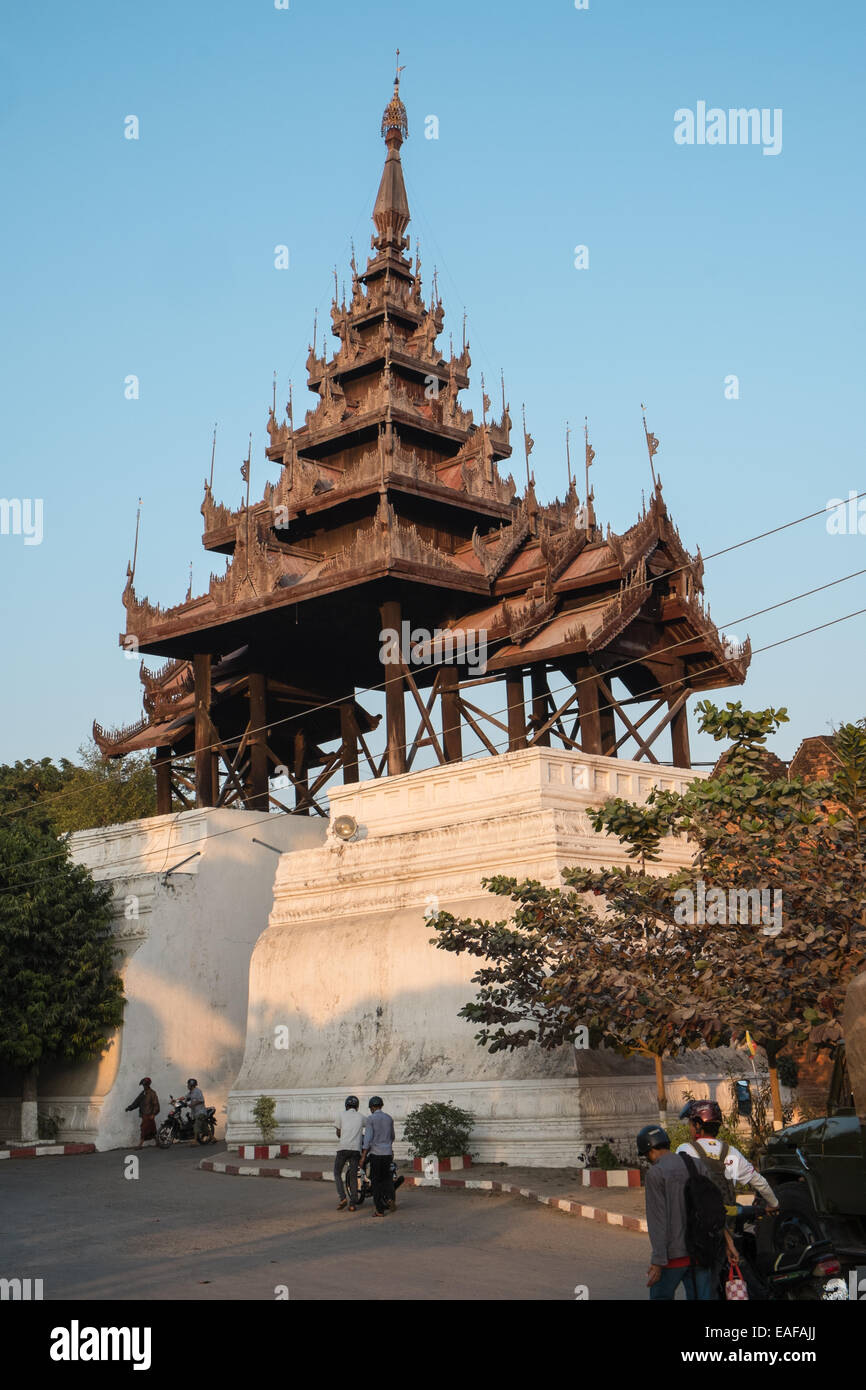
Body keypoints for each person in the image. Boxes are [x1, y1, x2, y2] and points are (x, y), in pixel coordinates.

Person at [637, 1123, 716, 1301]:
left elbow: (658, 1220)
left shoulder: (656, 1173)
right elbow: (713, 1208)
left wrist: (657, 1261)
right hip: (700, 1253)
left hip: (672, 1258)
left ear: (650, 1151)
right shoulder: (697, 1165)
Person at [676, 1100, 780, 1221]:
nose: (690, 1128)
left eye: (690, 1124)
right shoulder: (732, 1153)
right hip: (727, 1222)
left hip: (697, 1224)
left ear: (698, 1126)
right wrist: (774, 1204)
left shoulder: (684, 1150)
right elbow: (759, 1182)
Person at [359, 1096, 395, 1218]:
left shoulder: (371, 1119)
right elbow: (392, 1137)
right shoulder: (389, 1118)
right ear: (381, 1106)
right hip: (387, 1153)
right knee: (387, 1179)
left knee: (376, 1181)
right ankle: (390, 1198)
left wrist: (363, 1156)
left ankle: (379, 1210)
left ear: (372, 1107)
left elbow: (367, 1139)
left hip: (376, 1153)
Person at [334, 1095, 363, 1211]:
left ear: (346, 1105)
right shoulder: (361, 1117)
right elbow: (368, 1125)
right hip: (356, 1150)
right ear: (357, 1107)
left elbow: (338, 1133)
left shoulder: (341, 1115)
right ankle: (353, 1204)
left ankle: (342, 1198)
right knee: (353, 1177)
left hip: (343, 1148)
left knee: (337, 1172)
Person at [125, 1077, 160, 1149]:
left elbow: (156, 1104)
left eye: (145, 1085)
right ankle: (158, 1142)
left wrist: (153, 1114)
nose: (144, 1087)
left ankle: (140, 1145)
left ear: (148, 1085)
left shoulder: (152, 1093)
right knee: (152, 1130)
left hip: (149, 1115)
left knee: (144, 1129)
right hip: (144, 1114)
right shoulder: (143, 1093)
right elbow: (137, 1102)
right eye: (143, 1085)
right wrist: (130, 1108)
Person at [184, 1077, 206, 1144]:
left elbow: (201, 1100)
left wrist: (193, 1104)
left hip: (200, 1112)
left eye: (188, 1085)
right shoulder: (191, 1092)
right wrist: (176, 1100)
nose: (187, 1086)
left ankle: (195, 1141)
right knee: (205, 1127)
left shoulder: (198, 1091)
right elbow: (185, 1097)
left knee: (196, 1126)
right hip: (195, 1112)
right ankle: (213, 1138)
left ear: (192, 1085)